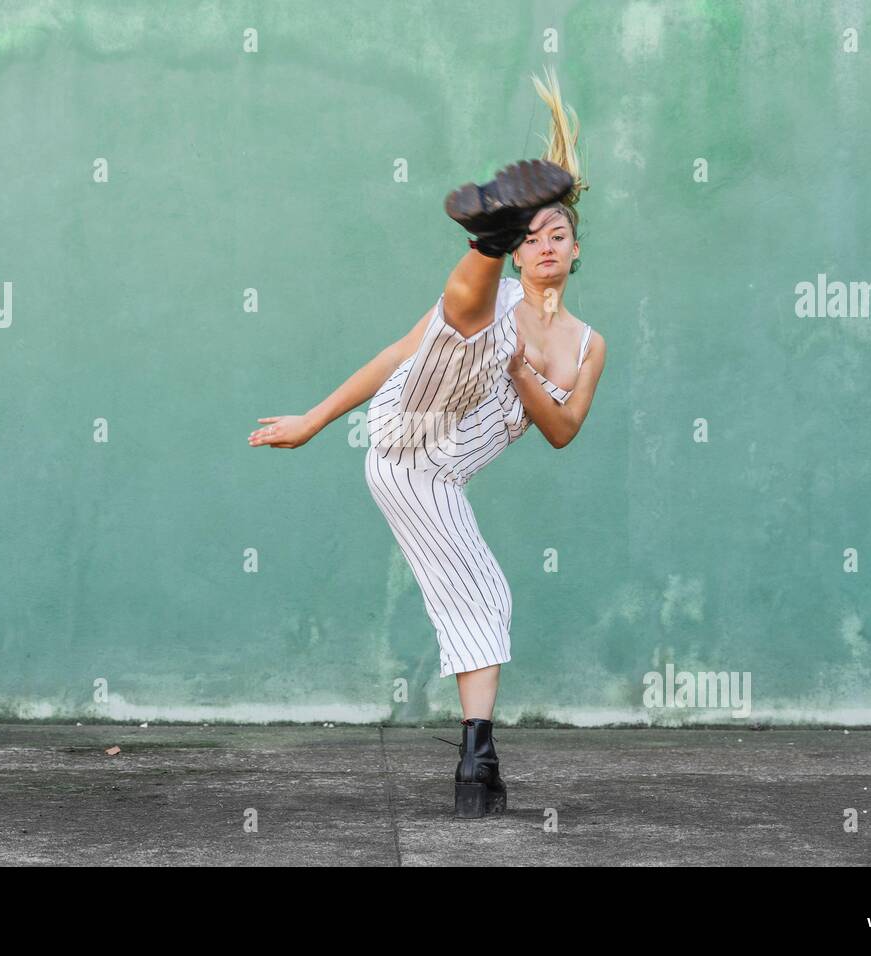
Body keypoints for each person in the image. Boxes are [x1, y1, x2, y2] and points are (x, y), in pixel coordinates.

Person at [248, 66, 606, 818]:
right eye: (530, 236)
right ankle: (477, 237)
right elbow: (399, 355)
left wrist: (526, 374)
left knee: (489, 595)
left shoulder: (587, 345)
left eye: (557, 234)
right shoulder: (506, 295)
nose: (546, 246)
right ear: (518, 253)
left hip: (436, 479)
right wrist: (314, 422)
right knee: (466, 333)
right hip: (411, 422)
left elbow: (564, 432)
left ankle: (478, 760)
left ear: (577, 251)